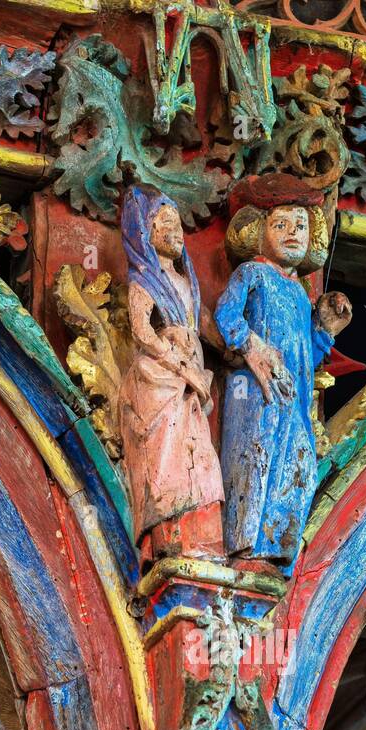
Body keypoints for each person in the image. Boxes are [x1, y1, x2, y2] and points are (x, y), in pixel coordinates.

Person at [214, 174, 352, 569]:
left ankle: (277, 549)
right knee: (257, 455)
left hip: (292, 397)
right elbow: (225, 314)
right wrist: (252, 346)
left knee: (301, 463)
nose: (293, 234)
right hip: (254, 387)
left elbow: (303, 357)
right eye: (281, 225)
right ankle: (246, 544)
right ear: (259, 232)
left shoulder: (297, 291)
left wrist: (324, 329)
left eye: (301, 226)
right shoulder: (252, 274)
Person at [118, 186, 226, 565]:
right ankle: (167, 538)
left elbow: (203, 323)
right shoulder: (144, 282)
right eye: (164, 224)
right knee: (167, 458)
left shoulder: (185, 282)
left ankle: (201, 537)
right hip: (162, 376)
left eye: (178, 224)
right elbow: (142, 332)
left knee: (202, 461)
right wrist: (179, 364)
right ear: (143, 235)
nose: (176, 232)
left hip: (190, 374)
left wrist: (234, 344)